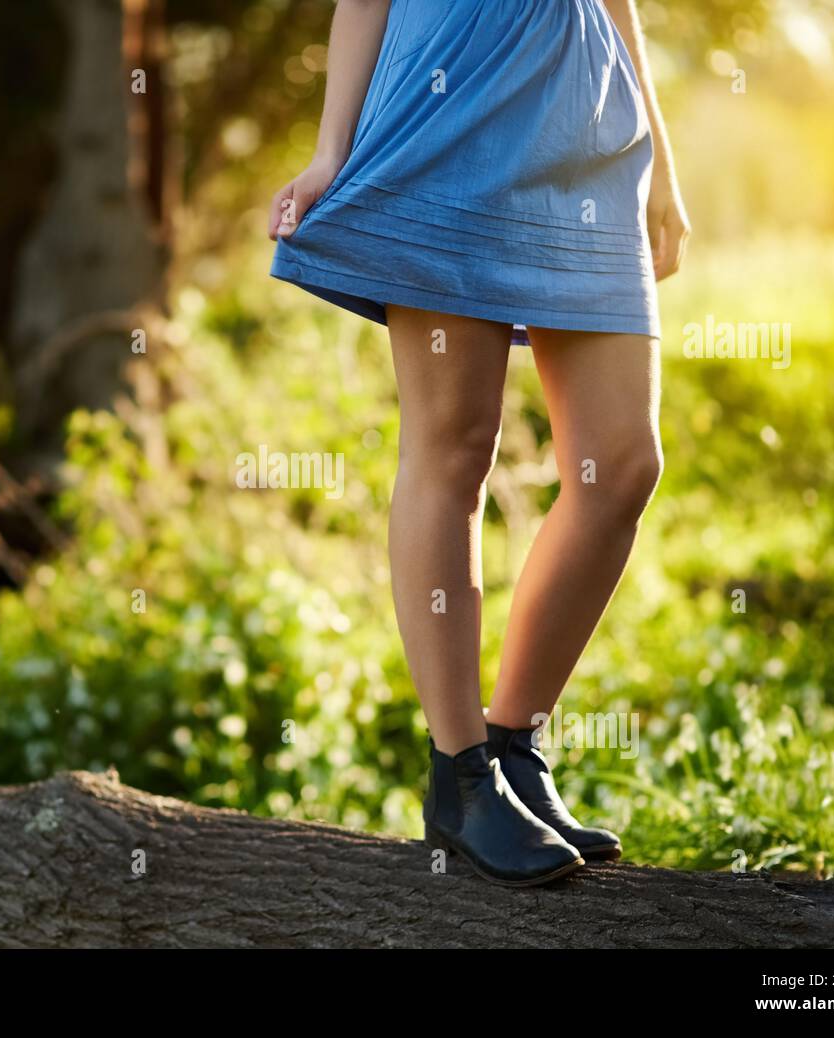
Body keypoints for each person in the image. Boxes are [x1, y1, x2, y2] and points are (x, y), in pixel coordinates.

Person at [267, 0, 690, 886]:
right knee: (454, 446)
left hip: (589, 120)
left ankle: (516, 745)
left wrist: (664, 164)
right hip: (448, 101)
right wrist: (328, 152)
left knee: (621, 466)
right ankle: (462, 778)